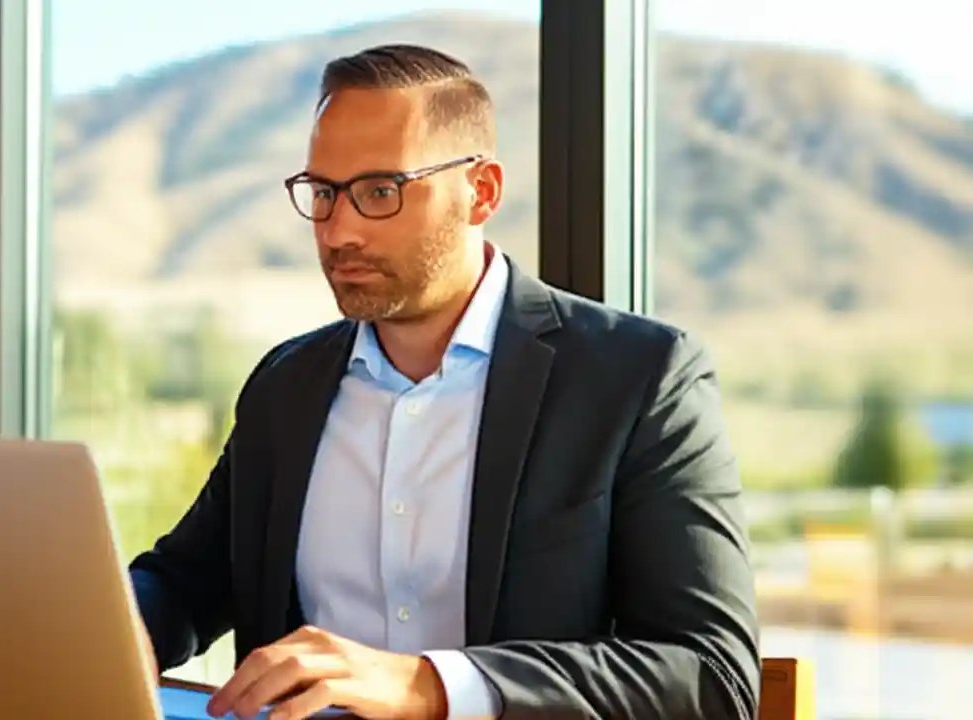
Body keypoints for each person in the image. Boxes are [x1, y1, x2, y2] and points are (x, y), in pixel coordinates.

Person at [129, 44, 760, 720]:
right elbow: (187, 582)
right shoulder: (286, 385)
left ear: (481, 191)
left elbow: (709, 674)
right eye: (323, 193)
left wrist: (429, 686)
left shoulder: (640, 378)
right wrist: (104, 625)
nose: (339, 230)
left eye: (379, 192)